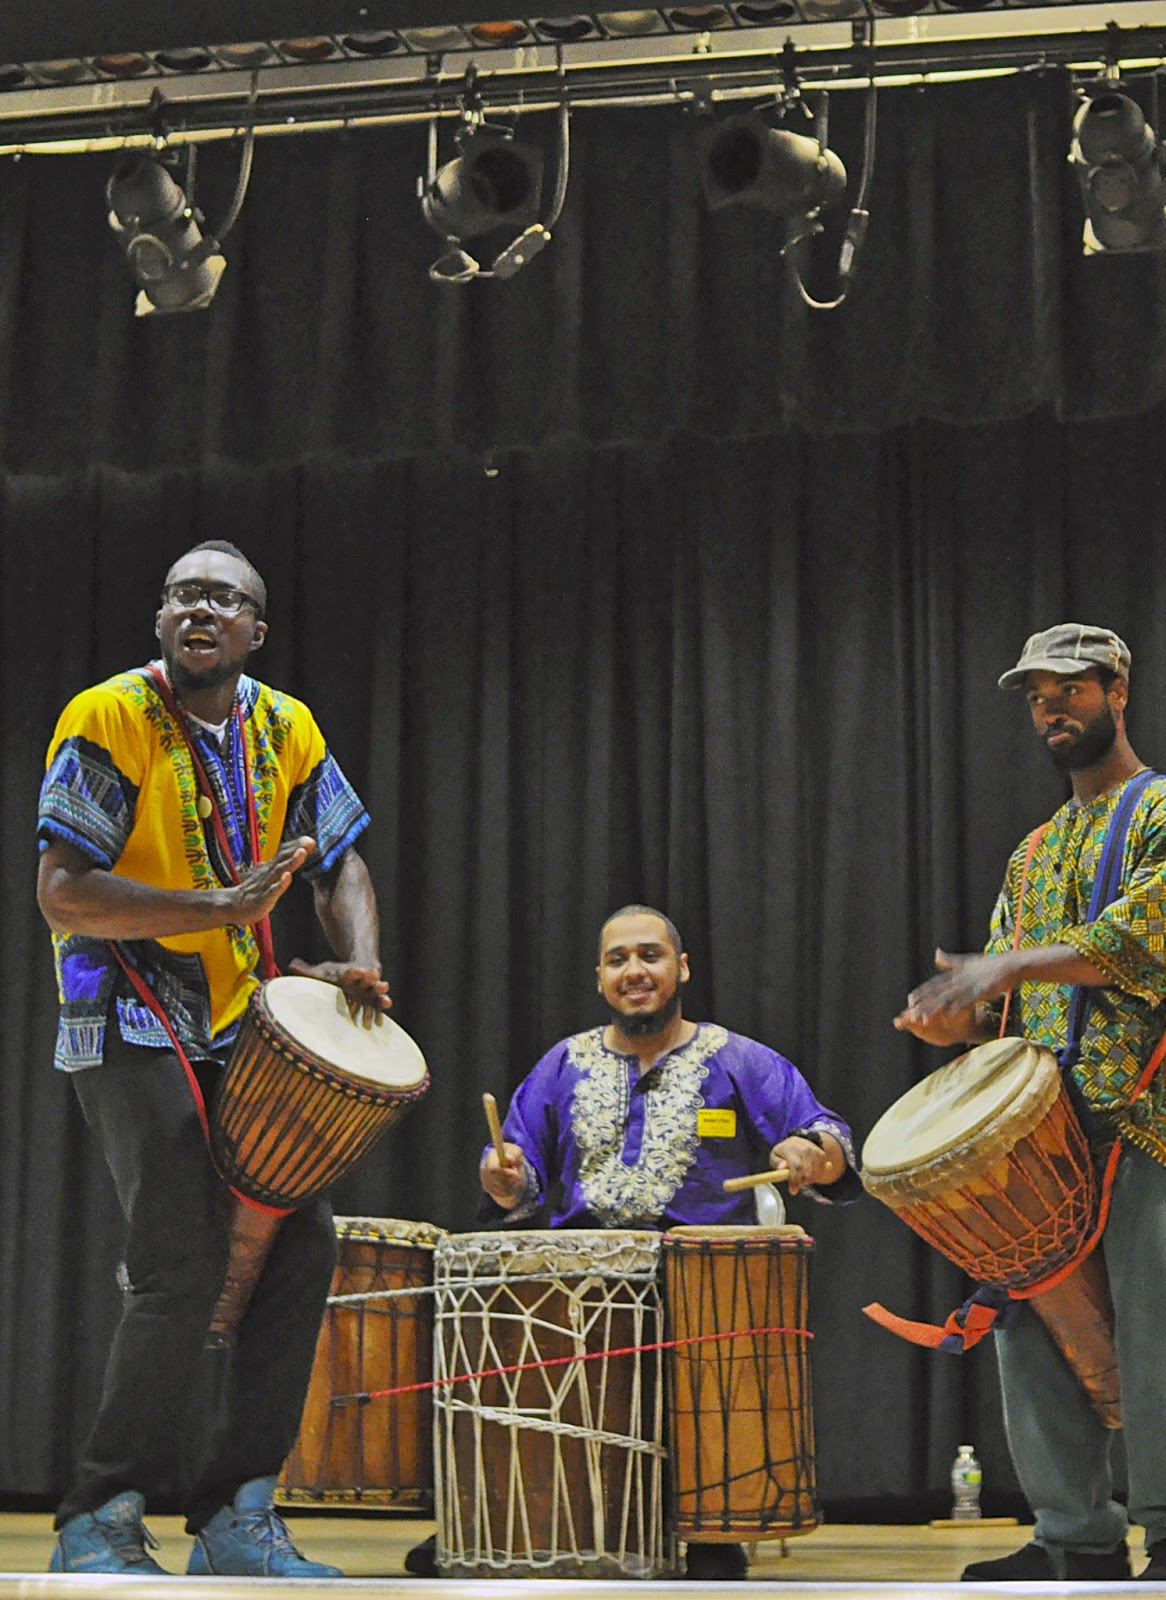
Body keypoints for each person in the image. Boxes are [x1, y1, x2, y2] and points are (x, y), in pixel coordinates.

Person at [37, 540, 391, 1578]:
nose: (203, 609)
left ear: (255, 631)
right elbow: (63, 889)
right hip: (122, 1004)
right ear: (159, 620)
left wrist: (361, 958)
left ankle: (238, 1512)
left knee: (304, 1242)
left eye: (225, 599)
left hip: (238, 1012)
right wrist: (213, 908)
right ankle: (98, 1512)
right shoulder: (108, 716)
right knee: (182, 1256)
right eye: (186, 594)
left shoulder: (284, 725)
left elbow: (339, 856)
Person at [894, 622, 1166, 1584]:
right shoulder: (1033, 853)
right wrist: (961, 1026)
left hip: (1141, 1113)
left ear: (1117, 690)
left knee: (1157, 1332)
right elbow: (1012, 1007)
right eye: (1036, 694)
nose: (1050, 706)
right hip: (1043, 1128)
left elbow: (1153, 946)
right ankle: (1072, 1538)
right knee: (1029, 1330)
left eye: (1069, 687)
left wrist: (1004, 962)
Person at [474, 903, 857, 1579]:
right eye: (618, 959)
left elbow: (827, 1137)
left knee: (702, 1389)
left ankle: (713, 1521)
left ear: (680, 968)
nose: (635, 971)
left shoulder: (736, 1058)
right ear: (600, 978)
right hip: (581, 1287)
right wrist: (502, 1176)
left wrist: (811, 1150)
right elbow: (517, 1171)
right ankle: (519, 1518)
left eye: (649, 955)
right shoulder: (563, 1064)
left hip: (702, 1292)